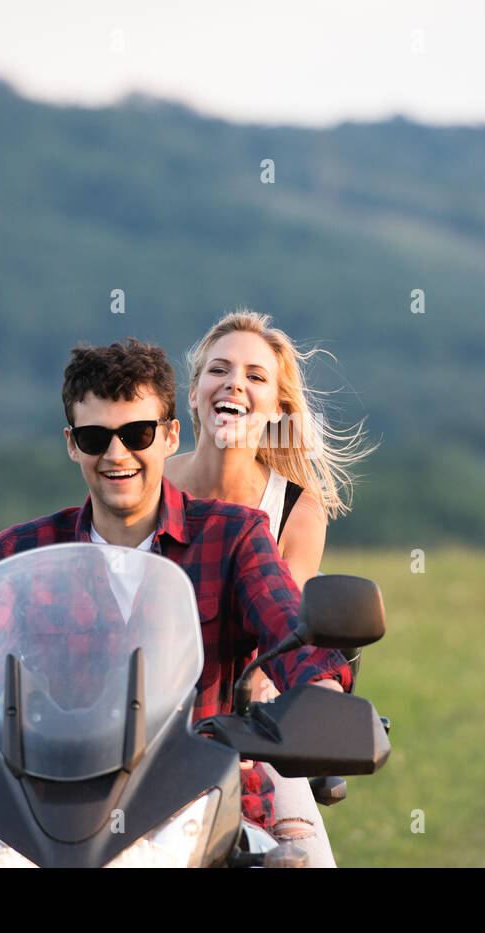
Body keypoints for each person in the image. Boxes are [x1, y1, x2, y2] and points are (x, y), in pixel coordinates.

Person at [0, 337, 351, 831]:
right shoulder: (24, 551)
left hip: (207, 811)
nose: (116, 454)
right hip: (54, 817)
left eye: (137, 433)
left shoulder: (235, 536)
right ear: (72, 444)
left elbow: (286, 623)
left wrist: (322, 697)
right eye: (95, 438)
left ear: (171, 436)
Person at [165, 310, 376, 865]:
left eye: (256, 376)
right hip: (148, 714)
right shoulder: (148, 482)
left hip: (248, 717)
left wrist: (288, 698)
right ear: (193, 393)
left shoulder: (295, 507)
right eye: (219, 369)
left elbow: (283, 615)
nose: (235, 382)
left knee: (300, 851)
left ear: (278, 409)